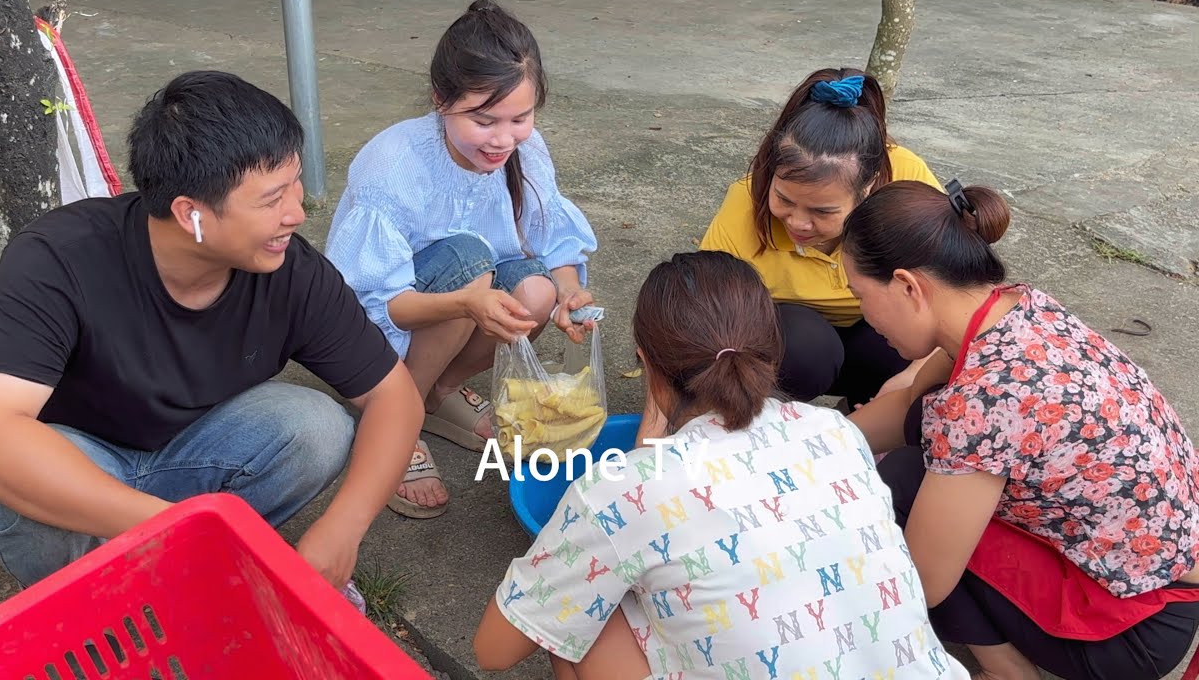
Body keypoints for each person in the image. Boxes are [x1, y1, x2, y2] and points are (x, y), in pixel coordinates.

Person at [0, 70, 423, 591]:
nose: (297, 213)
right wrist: (176, 526)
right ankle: (135, 578)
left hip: (186, 454)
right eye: (271, 199)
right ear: (190, 213)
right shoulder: (57, 259)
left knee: (316, 425)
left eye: (295, 184)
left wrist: (343, 528)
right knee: (30, 506)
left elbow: (395, 397)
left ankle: (181, 560)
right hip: (75, 459)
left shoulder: (291, 272)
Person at [474, 251, 970, 680]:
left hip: (647, 460)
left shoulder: (623, 490)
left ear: (648, 364)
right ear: (772, 350)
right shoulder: (835, 431)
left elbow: (493, 651)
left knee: (586, 610)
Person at [844, 180, 1199, 680]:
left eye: (860, 294)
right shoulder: (1014, 309)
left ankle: (1008, 670)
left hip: (1130, 629)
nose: (864, 313)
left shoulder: (984, 398)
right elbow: (907, 405)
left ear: (908, 286)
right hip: (1158, 570)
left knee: (904, 480)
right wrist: (808, 444)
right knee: (924, 427)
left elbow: (922, 580)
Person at [324, 0, 598, 519]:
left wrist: (568, 291)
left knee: (535, 291)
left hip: (455, 294)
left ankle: (437, 394)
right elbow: (368, 304)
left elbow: (553, 242)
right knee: (472, 258)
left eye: (520, 117)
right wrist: (466, 303)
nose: (503, 139)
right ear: (440, 100)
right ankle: (394, 415)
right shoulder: (395, 166)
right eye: (483, 119)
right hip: (376, 329)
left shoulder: (526, 149)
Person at [700, 68, 942, 408]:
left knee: (917, 350)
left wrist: (915, 375)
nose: (798, 222)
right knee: (805, 345)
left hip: (875, 337)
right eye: (783, 199)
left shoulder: (905, 182)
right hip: (789, 344)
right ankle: (772, 422)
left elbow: (957, 295)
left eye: (823, 211)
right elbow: (701, 311)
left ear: (869, 188)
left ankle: (863, 421)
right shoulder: (744, 201)